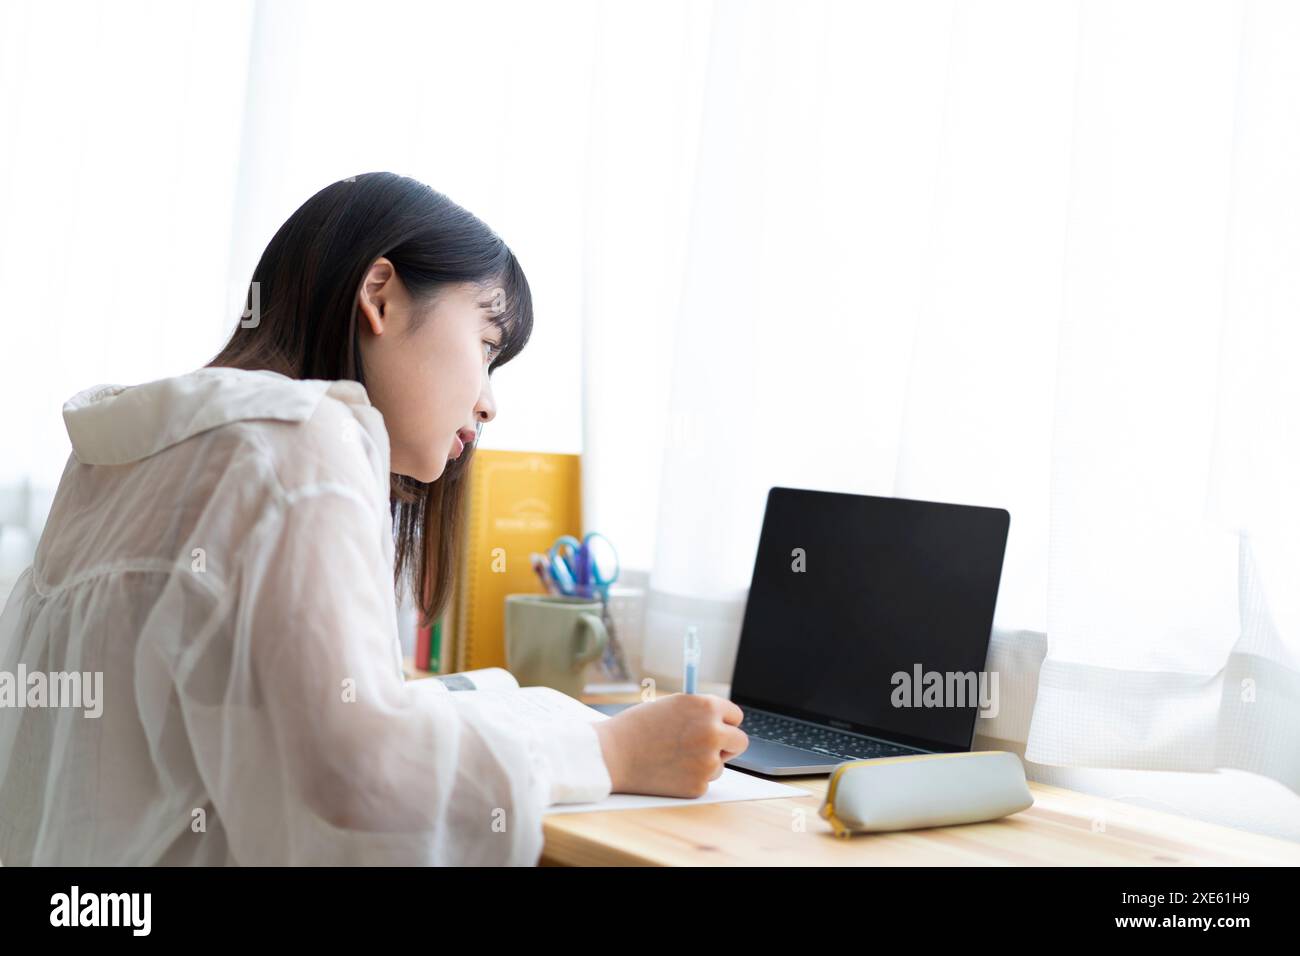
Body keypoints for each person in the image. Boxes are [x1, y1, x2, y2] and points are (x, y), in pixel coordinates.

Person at [0, 172, 747, 865]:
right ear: (380, 295)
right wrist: (610, 755)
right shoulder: (294, 443)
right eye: (486, 346)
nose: (489, 402)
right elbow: (357, 776)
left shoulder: (130, 452)